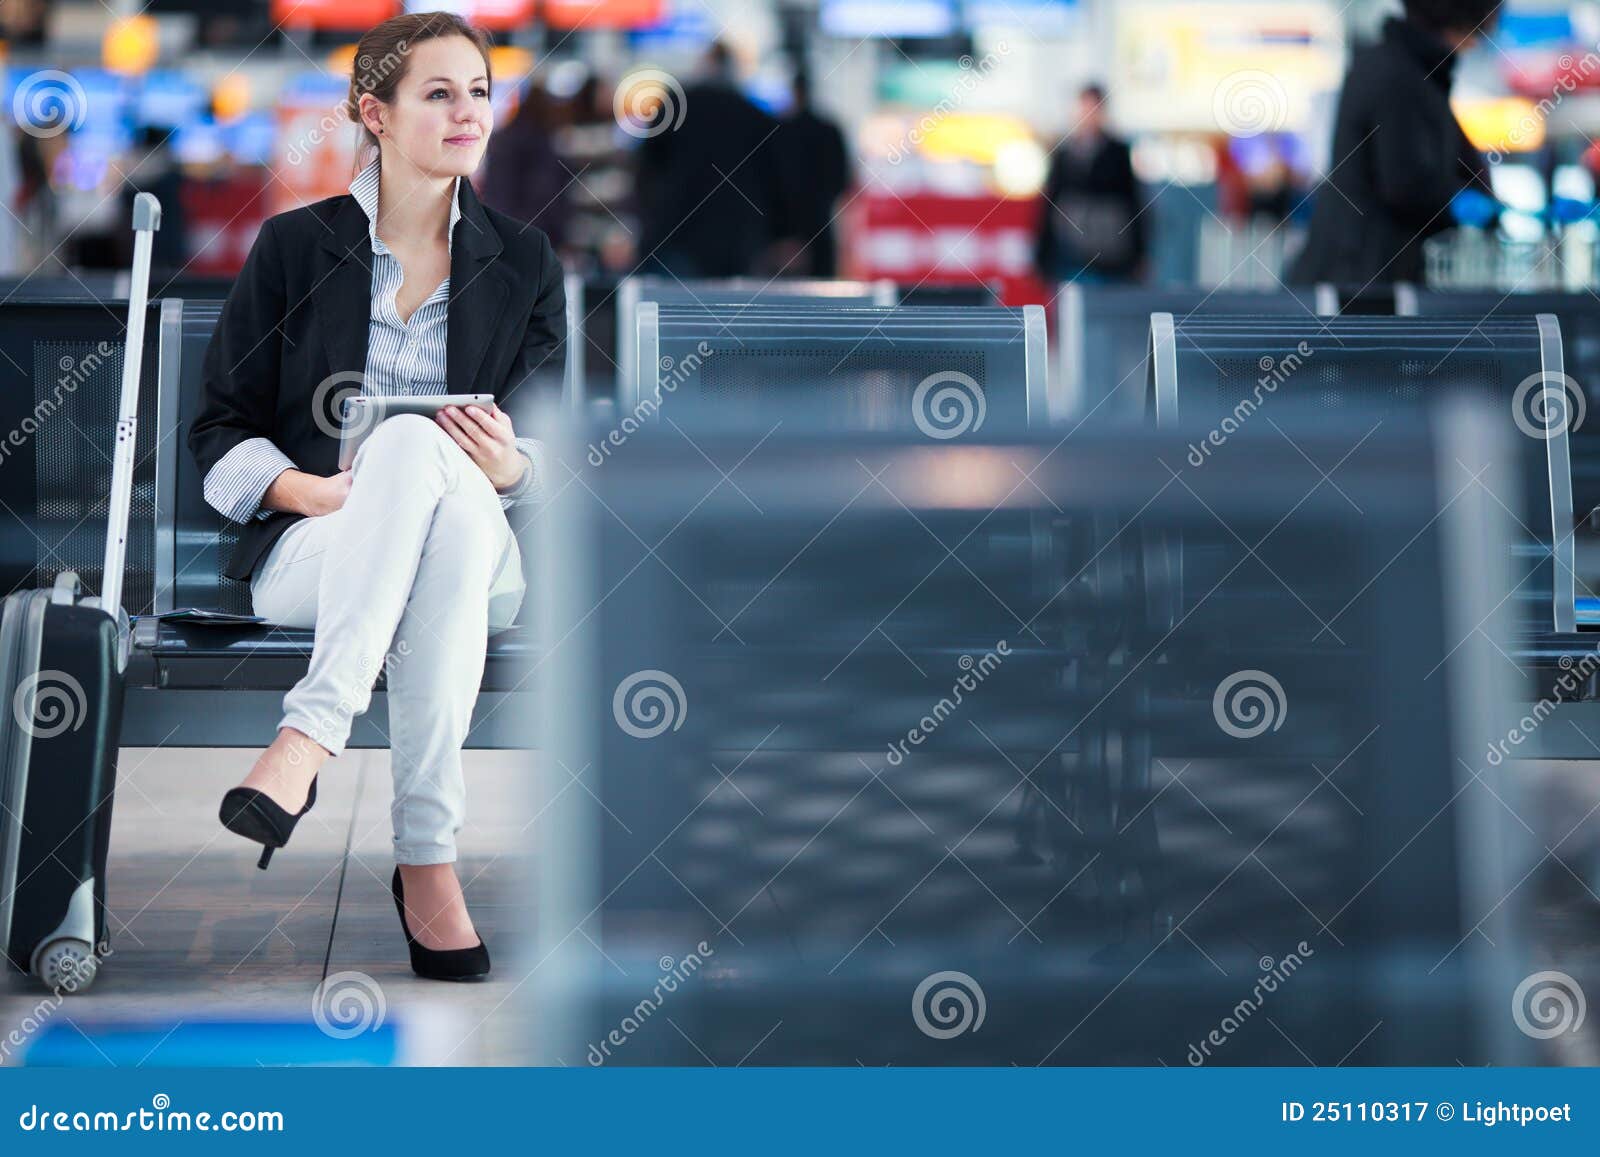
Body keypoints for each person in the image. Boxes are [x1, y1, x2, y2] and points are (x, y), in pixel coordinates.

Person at [188, 11, 565, 982]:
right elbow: (219, 427)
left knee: (417, 455)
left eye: (478, 91)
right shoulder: (292, 249)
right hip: (318, 547)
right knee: (405, 463)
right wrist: (300, 485)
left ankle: (308, 736)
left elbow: (559, 447)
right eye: (438, 93)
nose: (467, 111)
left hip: (480, 547)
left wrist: (512, 466)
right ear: (375, 114)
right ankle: (428, 862)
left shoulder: (523, 261)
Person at [1287, 0, 1501, 286]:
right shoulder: (1402, 77)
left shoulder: (1410, 70)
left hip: (1356, 271)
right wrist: (1456, 203)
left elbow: (1462, 168)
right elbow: (1405, 184)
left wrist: (1486, 204)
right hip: (1361, 280)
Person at [635, 40, 783, 278]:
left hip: (676, 231)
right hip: (738, 238)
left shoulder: (676, 104)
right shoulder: (755, 115)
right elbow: (775, 182)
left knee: (670, 310)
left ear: (705, 63)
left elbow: (646, 166)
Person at [1033, 84, 1145, 285]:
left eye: (1094, 109)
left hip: (1112, 257)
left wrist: (1139, 254)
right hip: (1070, 255)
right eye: (1084, 108)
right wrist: (1042, 256)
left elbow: (1134, 205)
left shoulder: (1118, 154)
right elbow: (1050, 206)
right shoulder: (1063, 154)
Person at [772, 70, 850, 277]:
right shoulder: (829, 129)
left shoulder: (780, 130)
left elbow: (773, 180)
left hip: (785, 227)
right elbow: (842, 179)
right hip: (820, 221)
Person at [480, 83, 572, 250]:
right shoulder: (543, 142)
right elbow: (547, 191)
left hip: (502, 227)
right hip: (535, 230)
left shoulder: (502, 138)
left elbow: (495, 191)